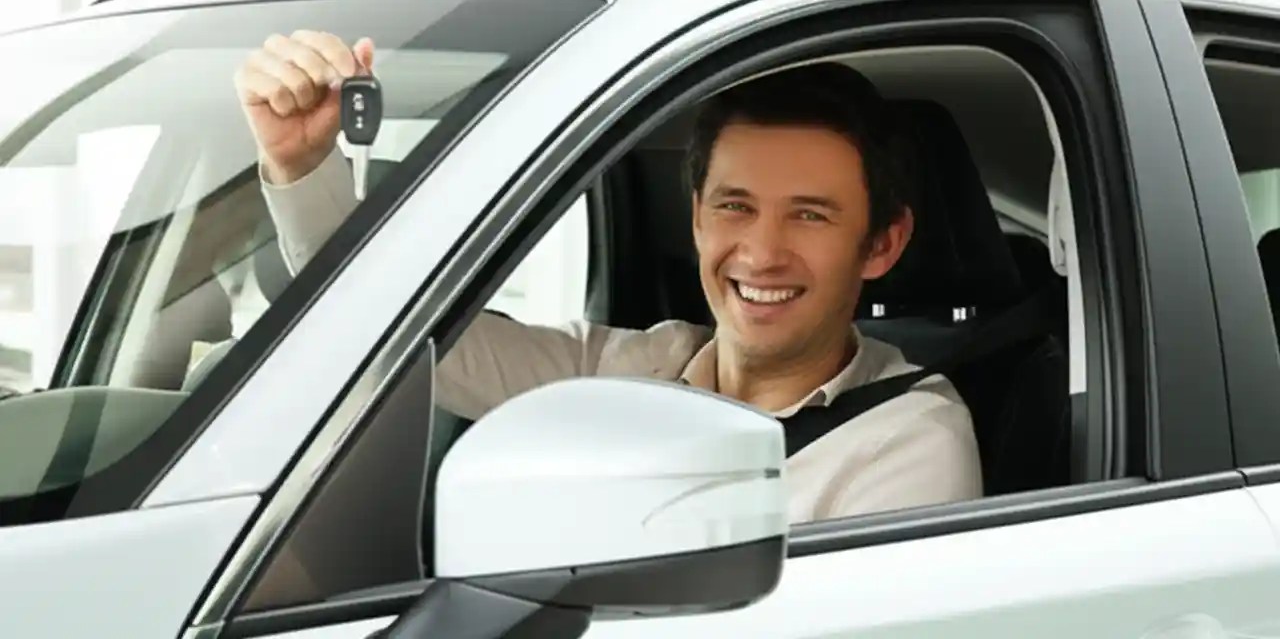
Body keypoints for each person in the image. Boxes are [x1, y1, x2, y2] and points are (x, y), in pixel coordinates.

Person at [233, 31, 983, 523]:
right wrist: (302, 166)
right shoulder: (632, 365)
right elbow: (400, 340)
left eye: (810, 216)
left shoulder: (909, 439)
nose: (761, 254)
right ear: (697, 218)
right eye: (735, 206)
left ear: (882, 244)